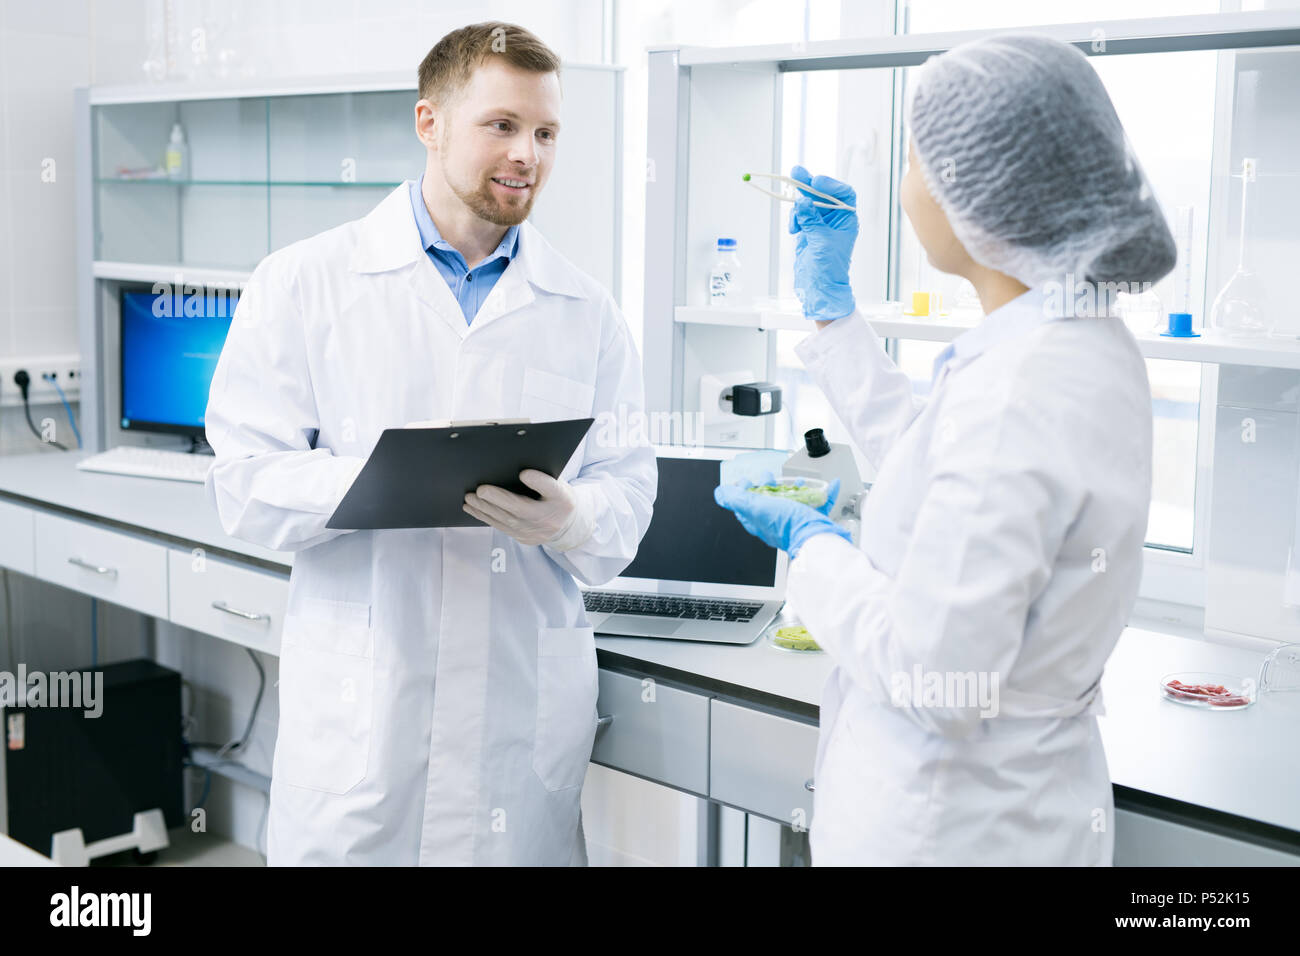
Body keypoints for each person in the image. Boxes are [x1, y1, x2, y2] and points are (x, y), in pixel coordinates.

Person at [715, 34, 1175, 865]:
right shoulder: (1075, 341)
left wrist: (812, 549)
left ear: (979, 189)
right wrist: (833, 317)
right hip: (1018, 806)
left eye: (917, 161)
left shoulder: (1022, 379)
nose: (905, 187)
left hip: (949, 823)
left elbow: (933, 675)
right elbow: (947, 472)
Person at [205, 22, 656, 865]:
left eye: (546, 132)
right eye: (501, 125)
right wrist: (378, 484)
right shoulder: (305, 282)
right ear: (430, 123)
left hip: (516, 716)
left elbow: (627, 499)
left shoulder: (585, 310)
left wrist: (570, 516)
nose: (527, 153)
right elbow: (244, 481)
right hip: (366, 713)